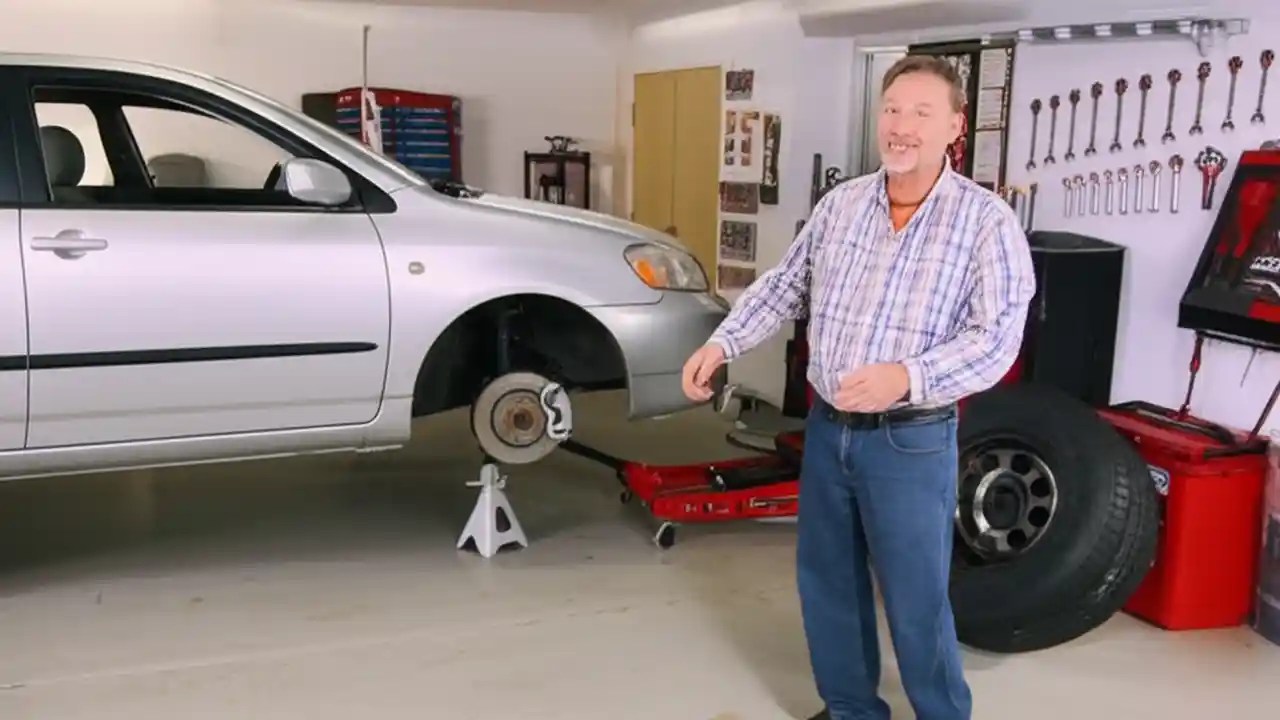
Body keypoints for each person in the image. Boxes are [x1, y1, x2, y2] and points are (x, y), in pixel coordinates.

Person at [681, 55, 1037, 720]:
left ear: (956, 126)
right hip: (829, 430)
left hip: (910, 441)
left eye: (921, 113)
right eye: (892, 110)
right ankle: (851, 710)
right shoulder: (841, 206)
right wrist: (722, 341)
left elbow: (995, 340)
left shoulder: (987, 223)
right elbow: (786, 283)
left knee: (915, 597)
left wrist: (908, 377)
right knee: (829, 584)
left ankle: (941, 713)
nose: (902, 127)